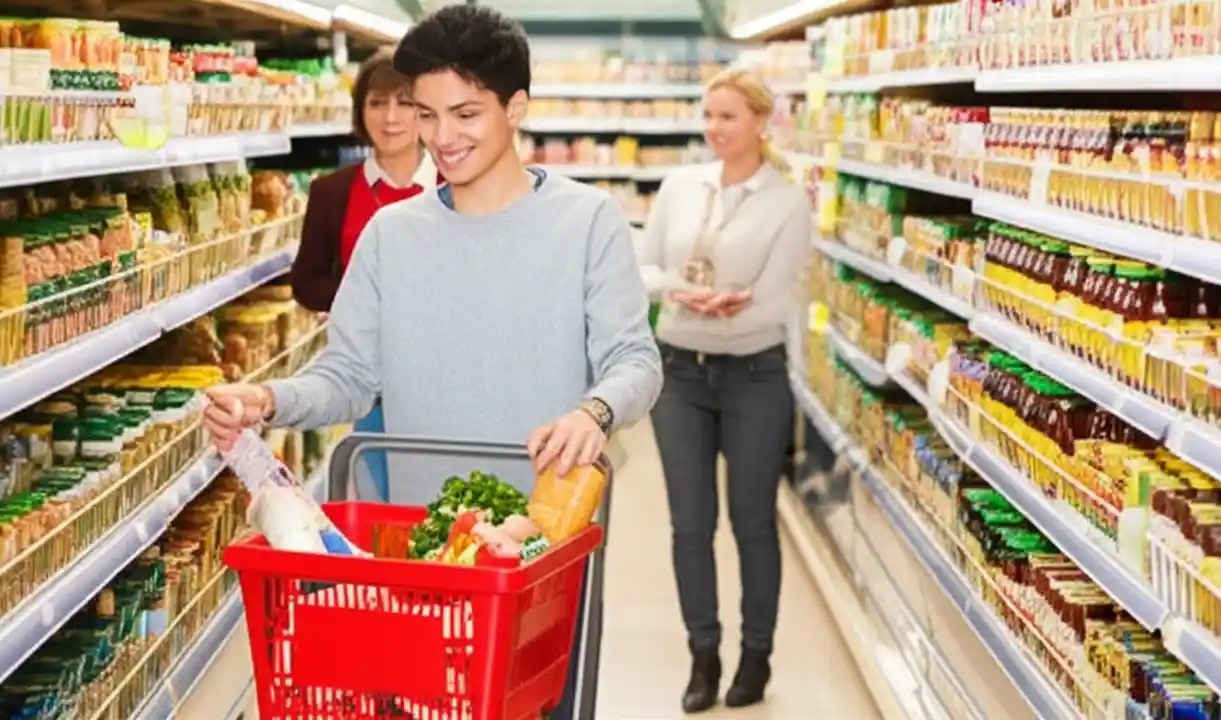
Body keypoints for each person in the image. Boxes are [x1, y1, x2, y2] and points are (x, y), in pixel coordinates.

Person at [201, 6, 661, 499]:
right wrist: (268, 399)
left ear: (515, 108)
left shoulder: (588, 220)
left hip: (545, 524)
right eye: (427, 115)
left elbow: (635, 360)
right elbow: (349, 376)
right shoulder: (391, 234)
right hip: (418, 524)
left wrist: (594, 412)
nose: (442, 138)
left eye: (465, 115)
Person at [636, 68, 811, 712]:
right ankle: (703, 655)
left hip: (754, 374)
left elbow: (780, 295)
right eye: (708, 115)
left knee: (753, 523)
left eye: (728, 116)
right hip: (680, 371)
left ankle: (756, 658)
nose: (713, 128)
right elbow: (646, 263)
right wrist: (676, 292)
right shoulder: (681, 185)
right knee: (689, 524)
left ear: (761, 123)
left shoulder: (787, 202)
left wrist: (737, 305)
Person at [288, 48, 437, 501]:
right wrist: (367, 294)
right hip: (366, 380)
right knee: (381, 505)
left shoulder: (456, 186)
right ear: (361, 111)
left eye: (405, 102)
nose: (391, 117)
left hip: (443, 373)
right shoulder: (333, 192)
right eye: (377, 102)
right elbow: (307, 282)